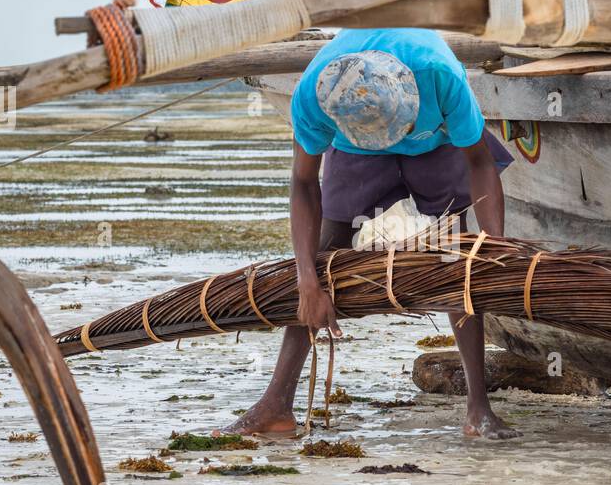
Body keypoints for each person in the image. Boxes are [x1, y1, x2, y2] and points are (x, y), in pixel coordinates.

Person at [219, 28, 518, 440]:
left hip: (435, 142)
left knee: (457, 254)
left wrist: (494, 246)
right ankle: (276, 405)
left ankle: (478, 410)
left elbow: (479, 162)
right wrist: (307, 281)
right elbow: (305, 185)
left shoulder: (438, 73)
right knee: (324, 254)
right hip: (355, 148)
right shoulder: (314, 94)